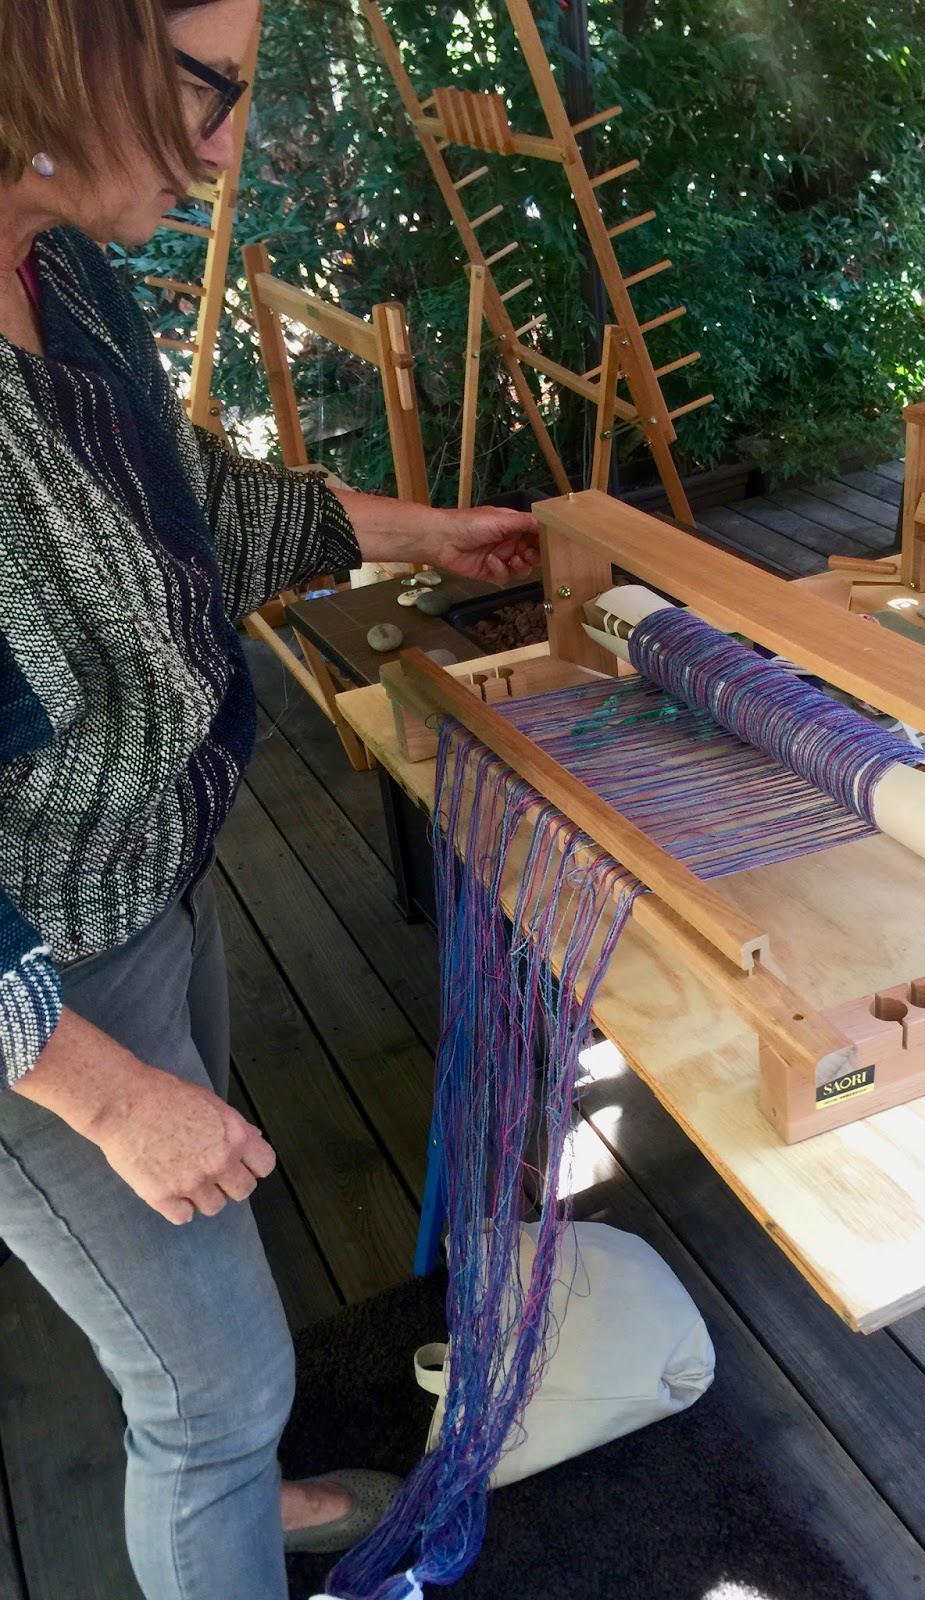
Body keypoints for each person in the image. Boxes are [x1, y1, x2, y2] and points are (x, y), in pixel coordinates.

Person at [0, 2, 540, 1596]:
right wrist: (100, 1091)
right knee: (214, 1383)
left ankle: (252, 1482)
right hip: (39, 994)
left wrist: (421, 533)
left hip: (146, 885)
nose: (229, 140)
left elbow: (197, 505)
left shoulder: (62, 272)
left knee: (202, 1319)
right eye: (206, 86)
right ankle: (227, 1475)